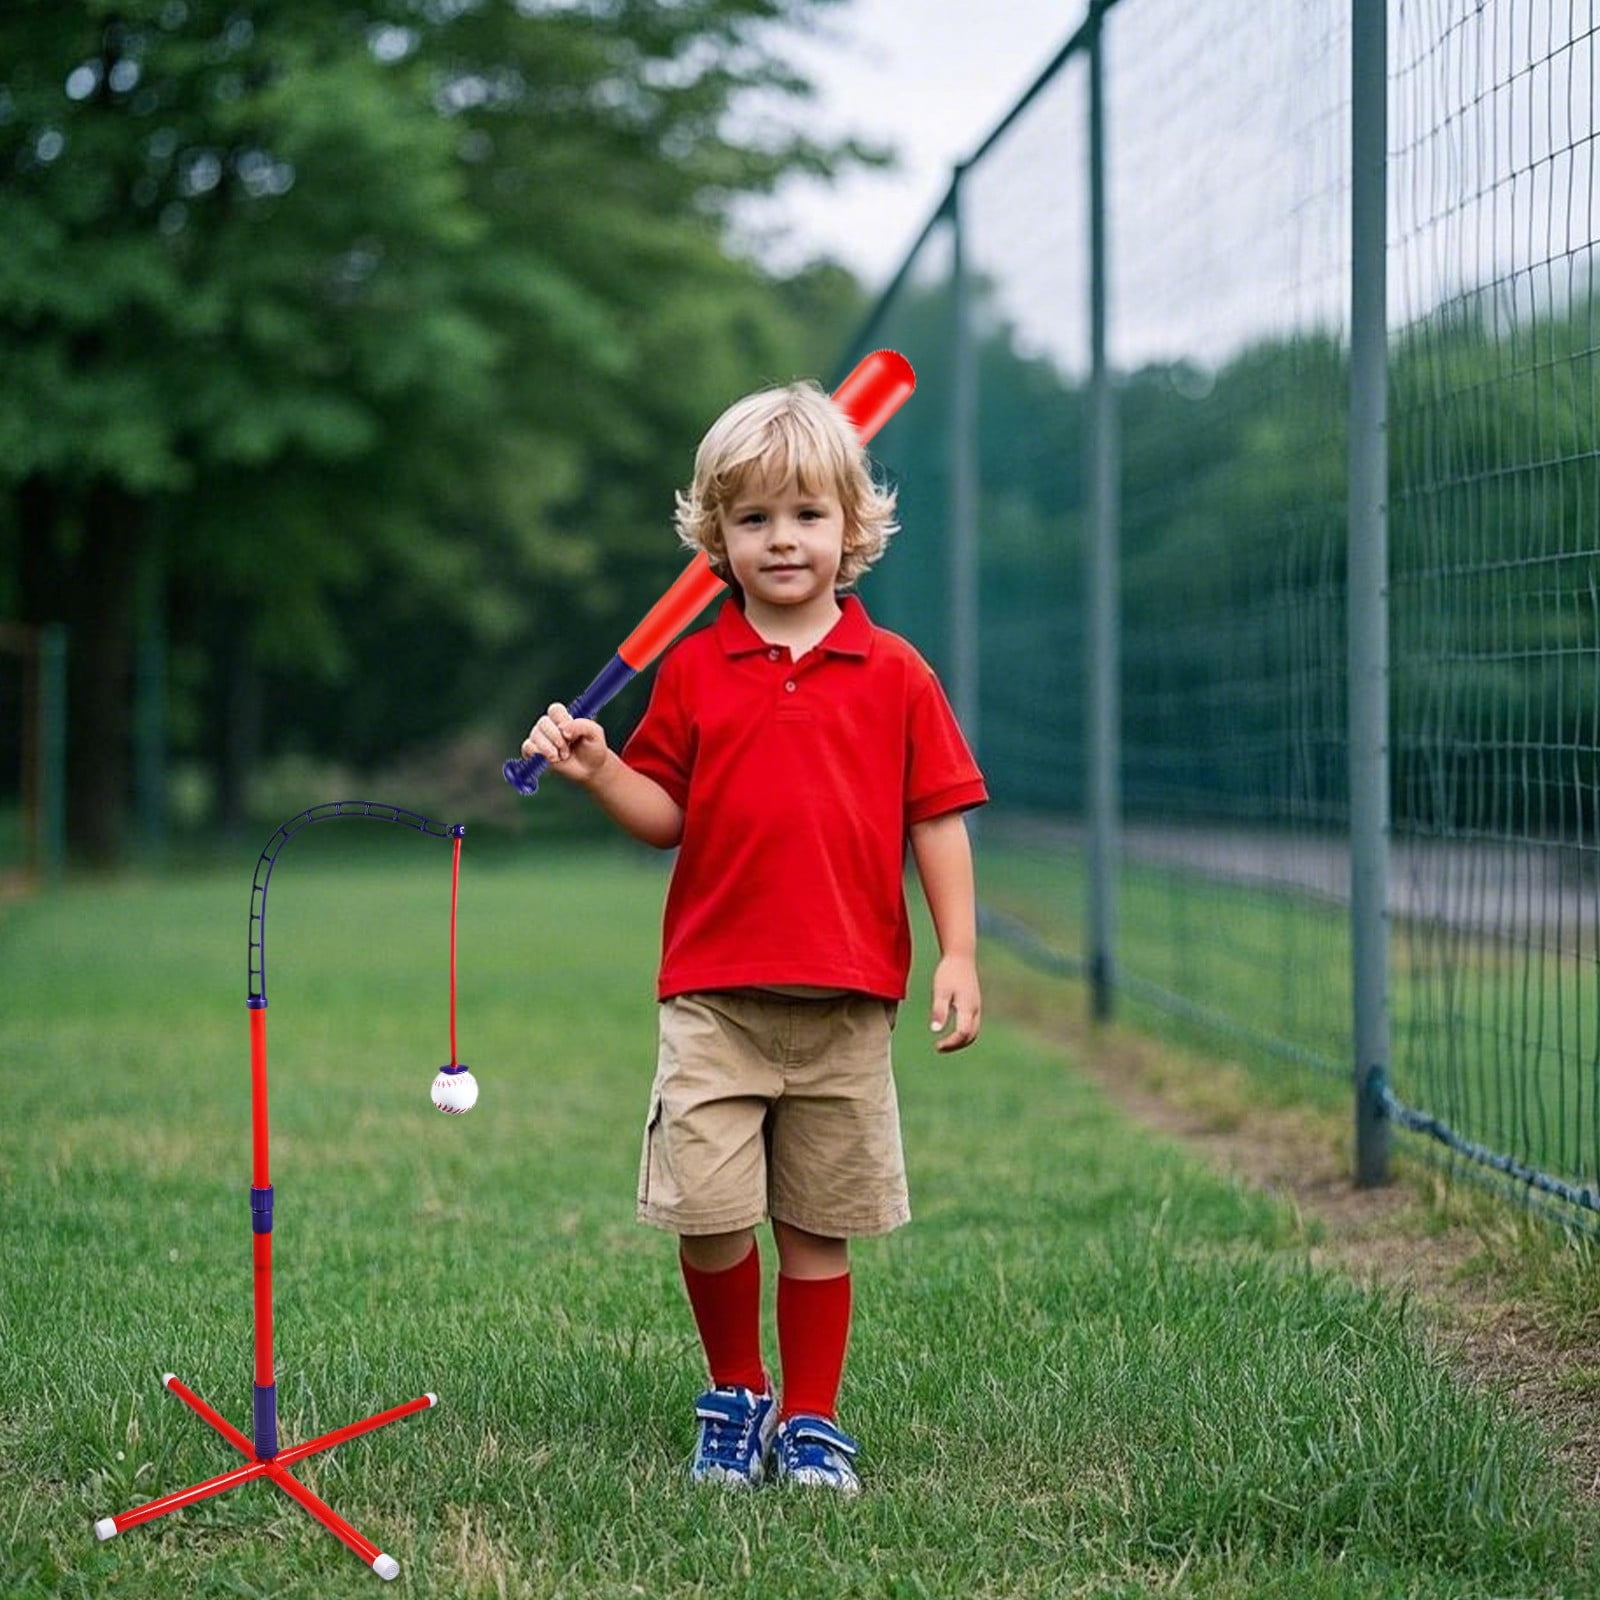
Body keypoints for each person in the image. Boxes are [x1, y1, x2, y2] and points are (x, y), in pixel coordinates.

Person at [521, 378, 987, 1494]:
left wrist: (960, 951)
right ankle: (736, 1394)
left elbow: (937, 818)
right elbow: (664, 818)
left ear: (851, 526)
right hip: (714, 1000)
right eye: (755, 518)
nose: (783, 538)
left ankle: (812, 1419)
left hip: (846, 1004)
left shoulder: (897, 673)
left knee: (819, 1225)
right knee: (711, 1213)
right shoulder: (693, 670)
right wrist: (602, 770)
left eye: (807, 514)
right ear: (716, 538)